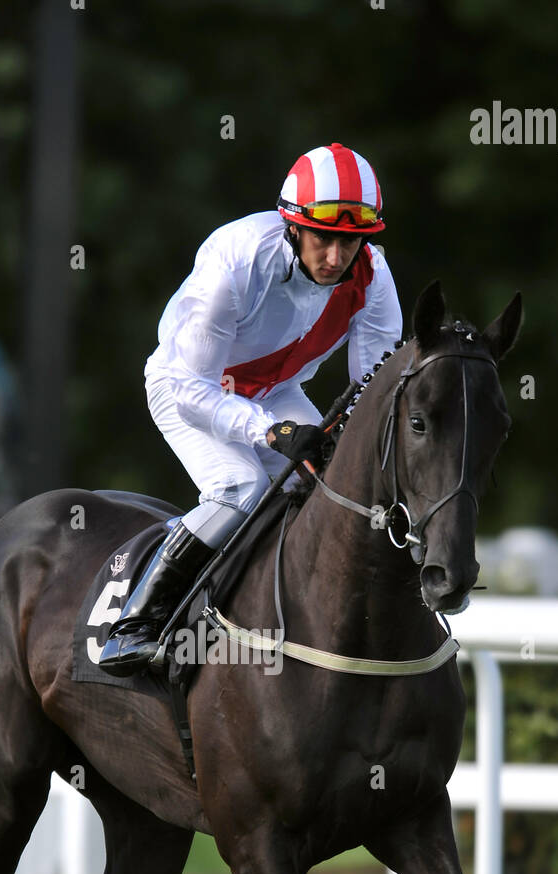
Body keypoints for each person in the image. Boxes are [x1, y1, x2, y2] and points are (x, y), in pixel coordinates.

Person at [99, 141, 403, 675]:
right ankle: (135, 626)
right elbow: (195, 390)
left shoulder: (373, 279)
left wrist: (340, 442)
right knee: (241, 489)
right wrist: (272, 433)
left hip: (274, 391)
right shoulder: (235, 263)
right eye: (323, 239)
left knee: (337, 487)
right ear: (293, 226)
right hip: (187, 389)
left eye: (351, 243)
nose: (336, 259)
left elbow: (372, 390)